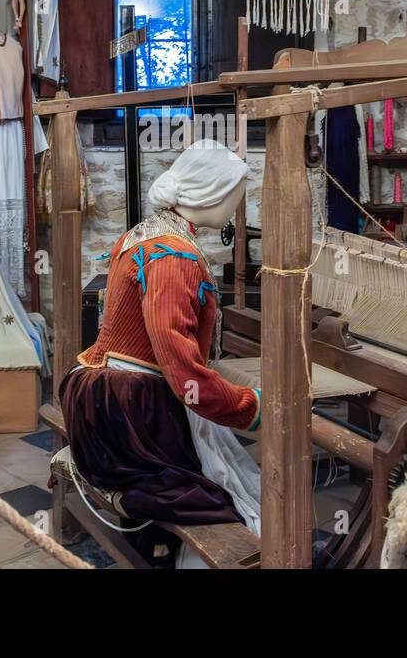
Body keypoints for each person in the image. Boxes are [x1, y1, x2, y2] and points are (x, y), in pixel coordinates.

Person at [61, 140, 262, 537]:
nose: (238, 204)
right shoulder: (173, 257)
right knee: (218, 501)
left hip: (97, 395)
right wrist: (249, 407)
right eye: (236, 194)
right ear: (213, 194)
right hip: (125, 413)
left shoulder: (144, 234)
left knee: (223, 471)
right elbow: (179, 363)